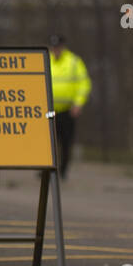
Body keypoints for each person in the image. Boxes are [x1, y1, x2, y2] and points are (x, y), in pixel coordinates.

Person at [49, 34, 91, 178]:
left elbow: (84, 84)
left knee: (66, 141)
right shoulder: (45, 59)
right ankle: (47, 169)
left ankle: (63, 170)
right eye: (53, 47)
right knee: (48, 142)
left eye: (58, 47)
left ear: (63, 47)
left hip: (67, 110)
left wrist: (78, 104)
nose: (56, 50)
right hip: (48, 110)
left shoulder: (73, 61)